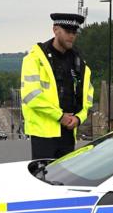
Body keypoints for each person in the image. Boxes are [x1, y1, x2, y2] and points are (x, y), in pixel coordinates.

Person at [20, 11, 94, 160]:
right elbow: (31, 96)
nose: (71, 36)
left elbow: (87, 99)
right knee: (44, 173)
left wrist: (78, 118)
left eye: (74, 32)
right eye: (67, 31)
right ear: (55, 30)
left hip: (68, 133)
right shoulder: (35, 59)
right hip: (43, 135)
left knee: (65, 174)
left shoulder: (79, 64)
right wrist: (60, 117)